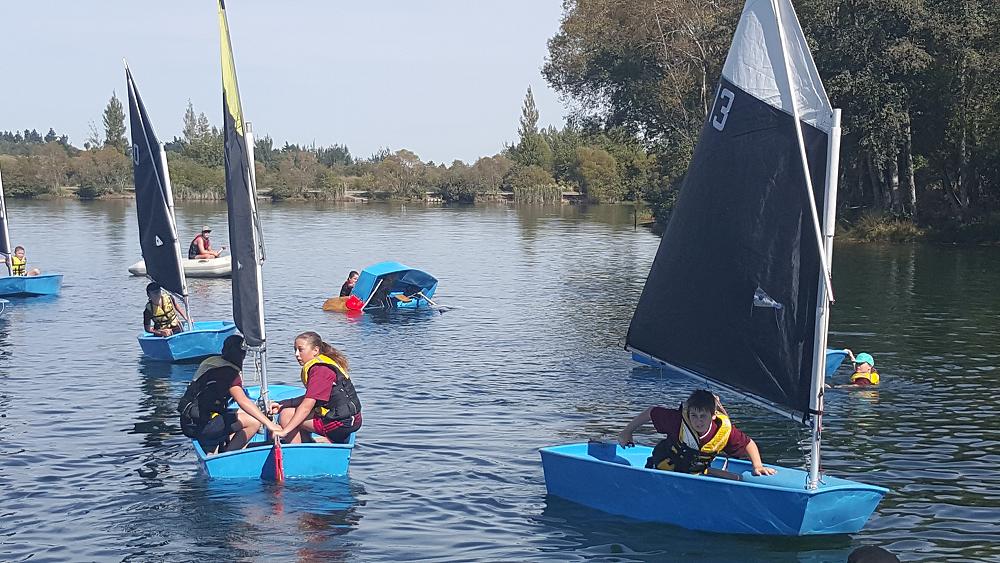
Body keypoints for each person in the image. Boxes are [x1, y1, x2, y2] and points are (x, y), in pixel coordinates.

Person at [618, 389, 777, 477]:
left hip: (695, 473)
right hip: (663, 470)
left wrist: (757, 465)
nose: (698, 421)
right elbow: (650, 412)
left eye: (703, 417)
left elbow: (749, 443)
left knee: (736, 478)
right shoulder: (677, 421)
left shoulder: (723, 430)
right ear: (688, 414)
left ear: (713, 416)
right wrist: (626, 432)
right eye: (694, 416)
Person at [178, 335, 282, 454]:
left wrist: (261, 411)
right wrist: (269, 424)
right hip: (201, 426)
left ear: (223, 350)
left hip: (188, 420)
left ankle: (228, 442)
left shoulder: (212, 362)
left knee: (247, 413)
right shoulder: (229, 373)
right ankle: (228, 455)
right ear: (242, 354)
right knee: (254, 422)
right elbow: (242, 401)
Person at [271, 331, 362, 444]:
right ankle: (308, 443)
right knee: (292, 411)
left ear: (315, 350)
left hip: (342, 423)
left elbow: (307, 406)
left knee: (287, 415)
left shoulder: (320, 370)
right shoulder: (322, 363)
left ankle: (298, 455)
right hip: (349, 419)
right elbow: (313, 397)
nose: (296, 354)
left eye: (300, 349)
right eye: (295, 350)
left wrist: (284, 431)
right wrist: (284, 403)